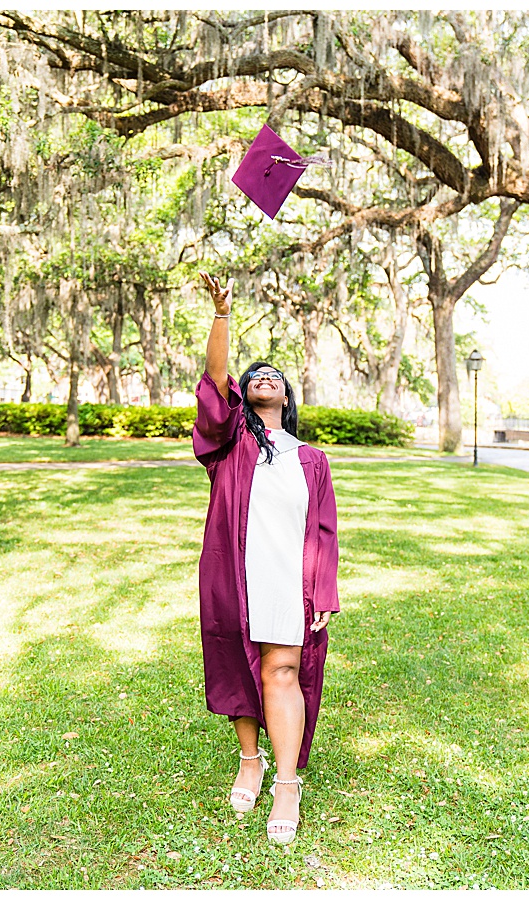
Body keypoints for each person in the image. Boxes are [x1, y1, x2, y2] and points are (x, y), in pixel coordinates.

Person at [192, 272, 340, 845]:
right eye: (255, 375)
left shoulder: (312, 459)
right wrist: (223, 313)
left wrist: (323, 590)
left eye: (274, 376)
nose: (265, 378)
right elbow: (213, 380)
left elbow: (324, 530)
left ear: (288, 396)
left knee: (282, 671)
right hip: (235, 574)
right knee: (238, 664)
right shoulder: (231, 444)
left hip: (289, 579)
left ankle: (285, 782)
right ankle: (248, 759)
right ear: (244, 394)